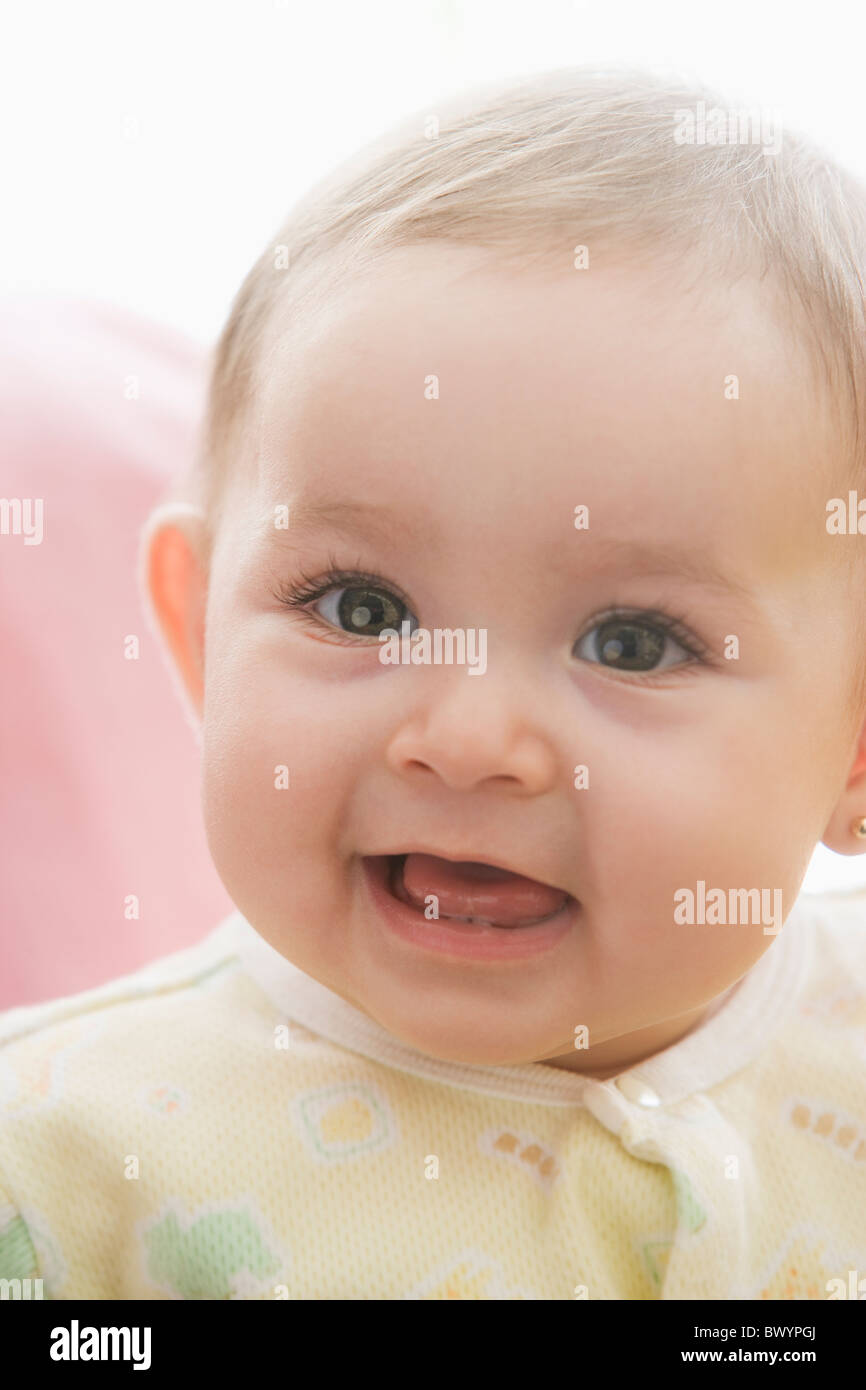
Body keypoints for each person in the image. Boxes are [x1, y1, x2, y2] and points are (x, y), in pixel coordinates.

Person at [2, 65, 866, 1300]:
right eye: (362, 608)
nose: (465, 739)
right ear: (197, 638)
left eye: (629, 642)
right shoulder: (62, 1166)